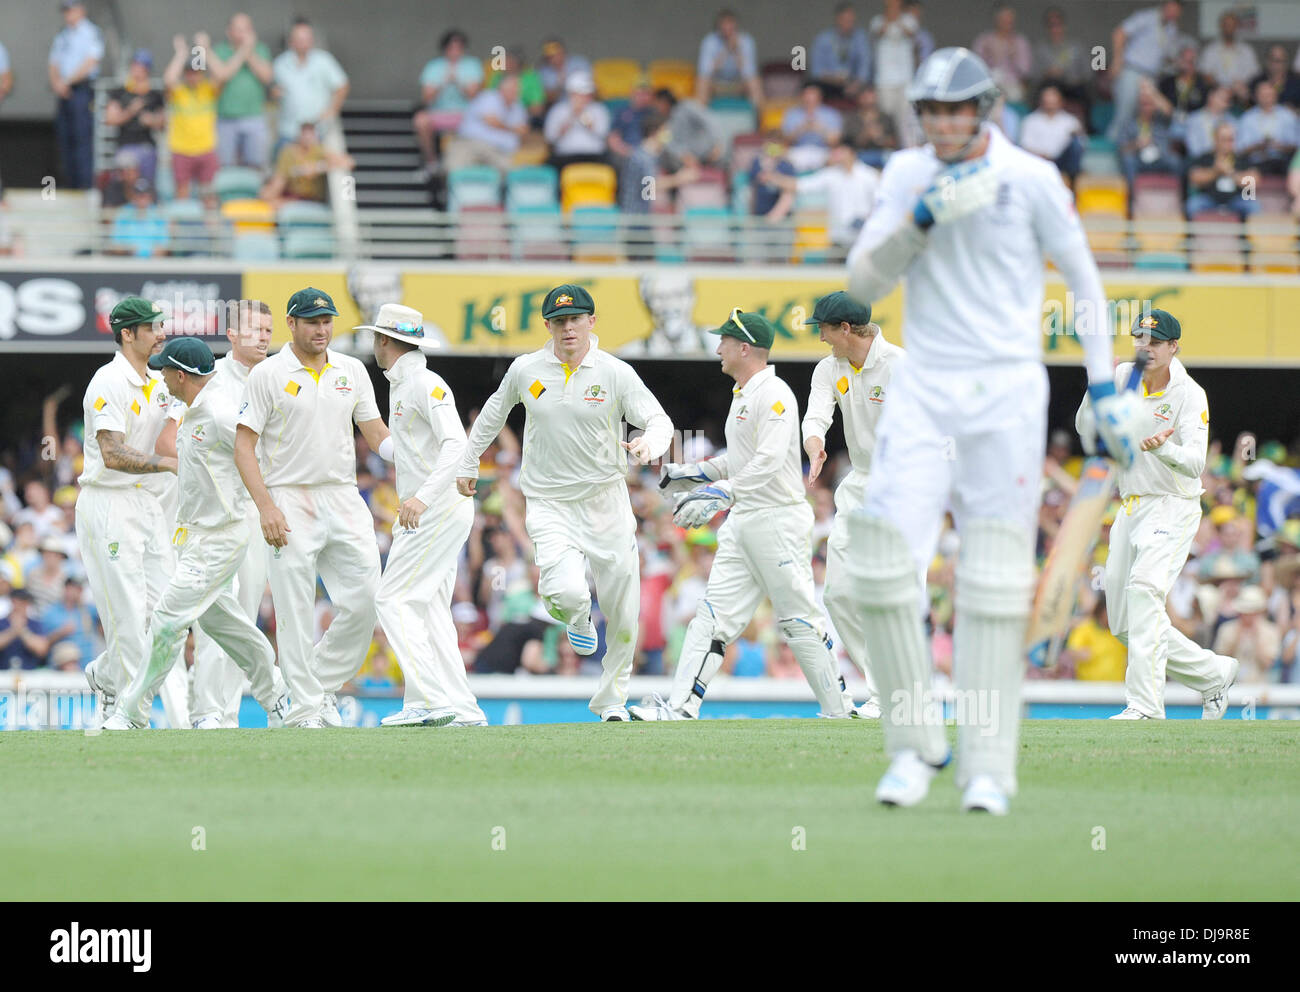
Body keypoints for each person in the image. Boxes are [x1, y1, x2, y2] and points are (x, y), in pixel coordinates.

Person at [845, 48, 1146, 815]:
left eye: (958, 111)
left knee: (994, 579)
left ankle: (988, 768)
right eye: (933, 112)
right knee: (878, 559)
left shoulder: (1033, 177)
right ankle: (915, 749)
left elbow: (1083, 280)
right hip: (925, 387)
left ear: (985, 110)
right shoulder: (907, 175)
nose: (944, 125)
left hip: (1008, 389)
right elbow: (860, 283)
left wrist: (1104, 382)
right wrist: (921, 220)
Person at [455, 285, 674, 721]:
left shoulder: (615, 373)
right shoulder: (526, 369)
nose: (568, 328)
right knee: (566, 591)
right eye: (559, 321)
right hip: (550, 500)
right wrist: (467, 464)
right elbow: (493, 415)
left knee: (623, 611)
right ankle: (575, 617)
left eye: (576, 319)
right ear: (548, 326)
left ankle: (611, 701)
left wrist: (651, 441)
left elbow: (659, 419)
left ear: (592, 322)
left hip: (605, 499)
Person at [628, 309, 859, 722]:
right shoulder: (744, 395)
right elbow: (739, 461)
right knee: (713, 615)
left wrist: (720, 492)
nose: (718, 348)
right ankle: (681, 707)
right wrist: (690, 475)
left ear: (745, 347)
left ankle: (839, 711)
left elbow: (769, 462)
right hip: (745, 519)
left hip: (777, 518)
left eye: (725, 342)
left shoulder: (774, 394)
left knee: (798, 621)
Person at [102, 337, 288, 730]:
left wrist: (268, 508)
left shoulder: (220, 412)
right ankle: (278, 696)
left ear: (181, 375)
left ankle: (131, 712)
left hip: (221, 535)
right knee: (227, 626)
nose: (160, 376)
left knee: (168, 620)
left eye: (164, 369)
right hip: (196, 537)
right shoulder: (193, 408)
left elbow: (252, 457)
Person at [235, 288, 390, 728]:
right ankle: (304, 709)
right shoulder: (267, 374)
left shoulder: (352, 370)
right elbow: (243, 447)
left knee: (366, 600)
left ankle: (315, 686)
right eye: (312, 322)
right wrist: (265, 506)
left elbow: (375, 431)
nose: (322, 330)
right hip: (287, 494)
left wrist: (410, 456)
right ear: (292, 324)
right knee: (295, 608)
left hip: (342, 494)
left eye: (327, 322)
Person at [1076, 309, 1239, 719]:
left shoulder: (1189, 393)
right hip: (1130, 504)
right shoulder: (1122, 379)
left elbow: (1196, 462)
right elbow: (1084, 428)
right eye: (1139, 339)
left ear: (1172, 347)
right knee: (1125, 623)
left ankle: (1146, 706)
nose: (1144, 348)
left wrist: (1161, 447)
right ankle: (1212, 673)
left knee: (1146, 591)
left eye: (1154, 341)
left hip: (1173, 504)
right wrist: (1096, 389)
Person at [365, 304, 487, 728]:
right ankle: (455, 707)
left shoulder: (423, 382)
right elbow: (413, 451)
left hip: (435, 511)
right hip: (434, 511)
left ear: (383, 340)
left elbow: (456, 444)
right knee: (429, 608)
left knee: (393, 599)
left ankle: (436, 702)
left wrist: (421, 498)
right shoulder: (405, 384)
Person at [76, 297, 191, 727]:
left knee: (169, 613)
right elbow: (111, 454)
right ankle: (133, 715)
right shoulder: (107, 381)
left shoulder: (158, 382)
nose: (162, 334)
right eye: (154, 328)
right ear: (128, 334)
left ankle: (109, 677)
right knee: (126, 615)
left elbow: (170, 438)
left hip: (145, 502)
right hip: (107, 502)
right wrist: (169, 465)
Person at [802, 291, 905, 719]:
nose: (821, 338)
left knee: (890, 596)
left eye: (824, 329)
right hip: (858, 485)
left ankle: (899, 694)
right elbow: (816, 416)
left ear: (845, 329)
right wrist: (814, 447)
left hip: (900, 488)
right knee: (840, 593)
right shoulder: (830, 368)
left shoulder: (900, 366)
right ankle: (885, 690)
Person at [179, 300, 275, 729]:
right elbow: (172, 440)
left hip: (260, 512)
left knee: (245, 614)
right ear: (232, 334)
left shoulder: (277, 378)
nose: (264, 336)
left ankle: (229, 715)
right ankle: (206, 712)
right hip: (217, 516)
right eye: (254, 328)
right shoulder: (209, 380)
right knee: (218, 612)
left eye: (269, 329)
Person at [761, 142, 880, 247]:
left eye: (840, 151)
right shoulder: (830, 174)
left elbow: (879, 203)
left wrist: (866, 219)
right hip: (838, 238)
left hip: (863, 238)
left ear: (850, 152)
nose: (836, 154)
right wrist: (773, 178)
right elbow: (801, 185)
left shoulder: (869, 175)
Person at [1108, 0, 1185, 144]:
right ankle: (1113, 144)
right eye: (1172, 9)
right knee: (1126, 110)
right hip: (1133, 70)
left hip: (1151, 76)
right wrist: (1117, 60)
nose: (1173, 14)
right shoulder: (1146, 17)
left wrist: (1176, 63)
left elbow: (1165, 54)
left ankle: (1136, 146)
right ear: (1166, 5)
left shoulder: (1172, 28)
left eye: (1177, 12)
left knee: (1147, 113)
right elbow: (1119, 33)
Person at [413, 30, 484, 179]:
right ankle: (431, 162)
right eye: (451, 48)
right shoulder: (434, 66)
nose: (455, 52)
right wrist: (443, 82)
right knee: (420, 120)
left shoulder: (472, 65)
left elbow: (475, 97)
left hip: (465, 115)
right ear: (445, 49)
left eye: (459, 48)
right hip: (440, 113)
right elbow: (426, 98)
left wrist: (458, 81)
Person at [48, 0, 104, 189]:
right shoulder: (62, 35)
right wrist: (57, 83)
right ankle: (70, 184)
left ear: (81, 10)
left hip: (81, 90)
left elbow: (91, 62)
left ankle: (84, 185)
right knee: (65, 139)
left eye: (70, 10)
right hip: (63, 91)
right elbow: (53, 62)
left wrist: (67, 81)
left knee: (82, 139)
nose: (67, 14)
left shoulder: (90, 32)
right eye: (65, 11)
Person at [209, 12, 274, 169]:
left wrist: (249, 52)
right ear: (229, 31)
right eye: (238, 29)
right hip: (225, 118)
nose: (242, 34)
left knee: (256, 165)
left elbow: (267, 77)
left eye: (246, 29)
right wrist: (242, 52)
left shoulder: (261, 49)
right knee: (225, 165)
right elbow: (222, 76)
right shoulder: (220, 50)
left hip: (254, 116)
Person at [271, 19, 349, 146]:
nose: (303, 42)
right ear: (291, 41)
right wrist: (274, 93)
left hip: (319, 130)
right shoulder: (280, 63)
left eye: (306, 38)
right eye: (299, 38)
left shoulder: (324, 60)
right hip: (289, 130)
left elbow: (342, 85)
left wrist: (332, 110)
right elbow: (272, 89)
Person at [163, 32, 222, 200]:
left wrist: (205, 50)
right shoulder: (179, 92)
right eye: (189, 72)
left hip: (206, 148)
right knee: (182, 192)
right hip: (181, 149)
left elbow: (222, 75)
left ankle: (209, 226)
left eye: (197, 72)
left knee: (208, 194)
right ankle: (182, 223)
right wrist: (181, 54)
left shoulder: (208, 90)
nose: (193, 76)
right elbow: (168, 79)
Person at [447, 73, 529, 173]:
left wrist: (521, 132)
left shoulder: (518, 107)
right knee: (456, 172)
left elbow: (523, 132)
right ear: (501, 88)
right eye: (511, 88)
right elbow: (491, 121)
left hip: (499, 151)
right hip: (471, 143)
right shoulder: (490, 96)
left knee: (513, 173)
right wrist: (513, 129)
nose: (515, 90)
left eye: (517, 88)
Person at [104, 50, 164, 182]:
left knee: (147, 186)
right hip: (126, 145)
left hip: (147, 146)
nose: (137, 70)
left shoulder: (154, 95)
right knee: (126, 181)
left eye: (141, 66)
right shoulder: (119, 92)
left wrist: (151, 121)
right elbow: (110, 119)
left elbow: (163, 122)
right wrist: (131, 111)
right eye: (135, 65)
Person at [260, 120, 353, 205]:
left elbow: (348, 162)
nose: (307, 138)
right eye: (305, 134)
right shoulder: (288, 152)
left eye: (310, 134)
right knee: (267, 195)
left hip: (312, 198)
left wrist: (317, 167)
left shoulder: (318, 150)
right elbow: (280, 179)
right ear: (299, 135)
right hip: (292, 194)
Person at [1185, 120, 1259, 220]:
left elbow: (1254, 180)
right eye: (1224, 139)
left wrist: (1231, 173)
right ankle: (1192, 236)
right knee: (1192, 205)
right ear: (1215, 140)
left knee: (1253, 206)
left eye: (1231, 139)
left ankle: (1245, 236)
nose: (1227, 143)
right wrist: (1216, 171)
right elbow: (1194, 178)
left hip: (1236, 199)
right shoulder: (1205, 157)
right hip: (1210, 199)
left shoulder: (1241, 158)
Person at [870, 0, 921, 142]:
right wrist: (890, 12)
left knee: (906, 119)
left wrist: (896, 14)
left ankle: (908, 149)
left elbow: (910, 33)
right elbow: (880, 31)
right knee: (886, 117)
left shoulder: (909, 20)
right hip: (884, 80)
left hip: (905, 79)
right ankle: (888, 147)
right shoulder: (877, 21)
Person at [1116, 80, 1181, 189]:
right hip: (1139, 160)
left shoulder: (1162, 121)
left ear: (1155, 106)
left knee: (1175, 161)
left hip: (1160, 159)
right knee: (1128, 161)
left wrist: (1152, 92)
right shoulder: (1129, 123)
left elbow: (1169, 110)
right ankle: (1132, 200)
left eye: (1149, 104)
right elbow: (1121, 149)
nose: (1146, 107)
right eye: (1143, 104)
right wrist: (1136, 144)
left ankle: (1178, 198)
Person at [1018, 84, 1085, 185]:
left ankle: (1073, 183)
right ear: (1041, 102)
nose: (1050, 104)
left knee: (1075, 144)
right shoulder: (1030, 121)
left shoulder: (1070, 121)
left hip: (1062, 162)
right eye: (1047, 101)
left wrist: (1076, 134)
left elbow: (1082, 145)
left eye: (1053, 101)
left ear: (1061, 102)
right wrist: (1043, 156)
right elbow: (1025, 146)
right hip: (1039, 161)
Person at [695, 9, 763, 107]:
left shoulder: (746, 41)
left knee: (755, 82)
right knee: (701, 82)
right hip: (716, 84)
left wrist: (737, 51)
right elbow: (706, 71)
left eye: (730, 25)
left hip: (738, 84)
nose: (727, 28)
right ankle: (699, 118)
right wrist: (726, 50)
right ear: (718, 27)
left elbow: (749, 72)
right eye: (724, 25)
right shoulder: (709, 42)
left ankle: (758, 119)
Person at [543, 73, 610, 170]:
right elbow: (550, 137)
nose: (584, 97)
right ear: (571, 93)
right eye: (580, 94)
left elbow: (603, 134)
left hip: (594, 155)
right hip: (565, 155)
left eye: (587, 94)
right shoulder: (558, 110)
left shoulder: (599, 109)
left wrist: (584, 116)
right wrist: (571, 116)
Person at [1212, 586, 1277, 685]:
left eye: (1252, 612)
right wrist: (1236, 638)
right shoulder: (1226, 629)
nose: (1247, 616)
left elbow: (1268, 664)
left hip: (1258, 686)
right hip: (1231, 685)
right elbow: (1221, 663)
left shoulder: (1270, 631)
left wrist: (1257, 637)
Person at [1034, 7, 1090, 118]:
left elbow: (1087, 73)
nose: (1055, 29)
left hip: (1073, 87)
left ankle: (1086, 128)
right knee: (1050, 85)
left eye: (1058, 25)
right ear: (1047, 28)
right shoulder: (1041, 48)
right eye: (1051, 26)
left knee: (1084, 93)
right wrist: (1048, 73)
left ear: (1064, 26)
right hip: (1050, 87)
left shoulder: (1076, 47)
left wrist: (1067, 75)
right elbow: (1033, 76)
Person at [972, 3, 1032, 105]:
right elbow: (975, 67)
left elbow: (1026, 72)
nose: (1007, 22)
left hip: (1013, 85)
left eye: (1010, 20)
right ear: (997, 20)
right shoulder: (985, 40)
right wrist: (989, 56)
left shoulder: (1020, 42)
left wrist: (1014, 57)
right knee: (988, 97)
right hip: (990, 83)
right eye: (1004, 19)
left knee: (1015, 95)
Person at [1198, 9, 1259, 109]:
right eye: (1226, 25)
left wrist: (1241, 87)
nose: (1229, 28)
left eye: (1232, 25)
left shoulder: (1247, 50)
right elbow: (1205, 74)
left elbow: (1254, 75)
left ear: (1237, 27)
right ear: (1221, 26)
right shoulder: (1210, 50)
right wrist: (1221, 88)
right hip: (1218, 96)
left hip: (1243, 98)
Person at [811, 3, 872, 103]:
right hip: (828, 84)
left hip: (853, 83)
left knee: (868, 91)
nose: (850, 24)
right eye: (846, 21)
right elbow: (816, 71)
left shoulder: (860, 37)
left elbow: (865, 64)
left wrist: (856, 84)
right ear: (838, 19)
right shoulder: (823, 39)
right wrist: (835, 79)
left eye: (852, 21)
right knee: (814, 88)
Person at [1235, 80, 1298, 176]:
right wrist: (1257, 147)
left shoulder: (1288, 116)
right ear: (1256, 96)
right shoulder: (1248, 118)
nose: (1266, 99)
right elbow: (1240, 149)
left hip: (1283, 162)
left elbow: (1296, 145)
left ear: (1276, 96)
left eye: (1269, 95)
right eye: (1263, 95)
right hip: (1256, 163)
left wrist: (1280, 147)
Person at [651, 89, 723, 169]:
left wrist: (717, 143)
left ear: (663, 102)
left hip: (708, 154)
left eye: (656, 104)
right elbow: (669, 143)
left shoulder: (686, 106)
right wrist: (683, 155)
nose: (656, 109)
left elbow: (709, 121)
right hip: (687, 161)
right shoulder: (667, 121)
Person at [780, 83, 842, 172]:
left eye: (813, 95)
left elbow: (834, 142)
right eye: (806, 95)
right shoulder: (791, 114)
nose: (809, 99)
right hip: (797, 151)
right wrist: (801, 129)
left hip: (823, 151)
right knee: (773, 151)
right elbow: (786, 141)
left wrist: (819, 128)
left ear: (820, 97)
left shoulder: (831, 114)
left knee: (840, 155)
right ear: (801, 96)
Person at [842, 86, 900, 168]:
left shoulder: (886, 117)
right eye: (865, 98)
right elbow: (849, 145)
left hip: (883, 153)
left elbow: (895, 142)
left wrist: (880, 138)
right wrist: (866, 134)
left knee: (892, 159)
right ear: (859, 99)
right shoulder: (852, 118)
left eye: (871, 97)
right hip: (860, 154)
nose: (869, 101)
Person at [108, 178, 168, 257]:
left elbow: (164, 245)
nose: (142, 198)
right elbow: (115, 244)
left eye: (145, 195)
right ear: (133, 195)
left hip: (152, 263)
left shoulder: (158, 215)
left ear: (150, 196)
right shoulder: (123, 214)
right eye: (139, 195)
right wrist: (128, 250)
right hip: (127, 262)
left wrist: (150, 254)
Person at [0, 589, 49, 670]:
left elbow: (42, 649)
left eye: (23, 602)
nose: (19, 605)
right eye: (16, 602)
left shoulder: (35, 624)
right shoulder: (1, 623)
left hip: (29, 674)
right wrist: (13, 631)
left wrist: (23, 631)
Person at [537, 37, 591, 107]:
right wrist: (560, 85)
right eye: (551, 57)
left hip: (584, 103)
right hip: (560, 106)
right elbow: (548, 99)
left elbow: (591, 89)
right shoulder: (544, 71)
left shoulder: (580, 63)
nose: (555, 59)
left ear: (564, 52)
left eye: (558, 54)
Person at [1183, 84, 1233, 159]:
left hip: (1228, 160)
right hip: (1201, 161)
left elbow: (1236, 148)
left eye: (1227, 100)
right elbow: (1193, 150)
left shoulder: (1232, 121)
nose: (1225, 102)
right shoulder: (1194, 119)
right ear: (1211, 97)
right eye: (1222, 98)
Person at [1250, 45, 1300, 110]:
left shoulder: (1297, 82)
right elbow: (1250, 107)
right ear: (1267, 61)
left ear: (1287, 62)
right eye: (1273, 60)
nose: (1276, 64)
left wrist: (1295, 111)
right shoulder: (1257, 82)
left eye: (1280, 60)